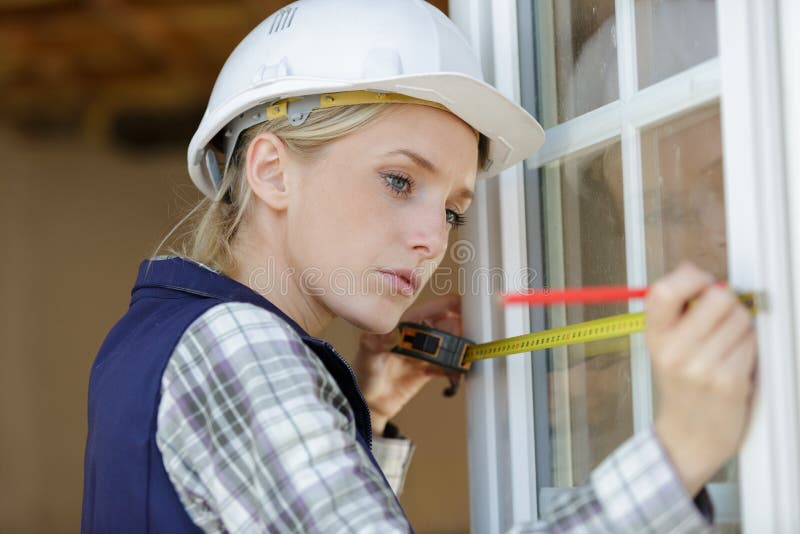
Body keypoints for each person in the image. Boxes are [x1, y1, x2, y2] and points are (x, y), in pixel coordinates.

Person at [81, 0, 757, 532]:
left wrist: (364, 414)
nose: (434, 238)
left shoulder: (152, 336)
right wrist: (678, 455)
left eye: (455, 210)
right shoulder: (237, 346)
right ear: (272, 171)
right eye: (401, 181)